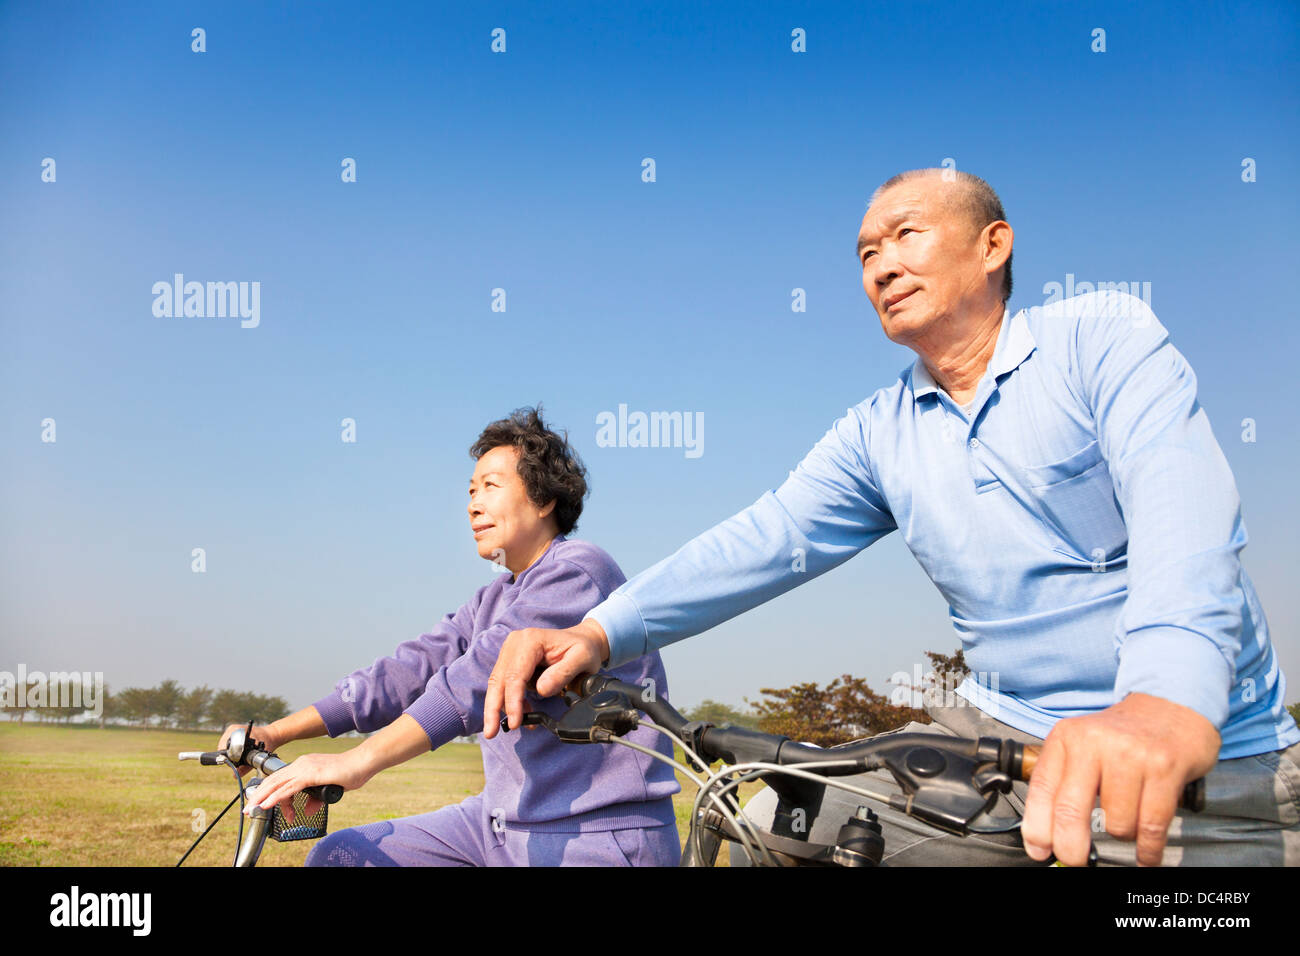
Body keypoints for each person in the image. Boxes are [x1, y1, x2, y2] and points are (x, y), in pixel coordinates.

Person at [484, 169, 1300, 867]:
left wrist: (1162, 701)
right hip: (999, 741)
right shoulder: (880, 429)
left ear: (993, 245)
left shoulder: (1104, 340)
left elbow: (1185, 513)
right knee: (780, 824)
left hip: (1211, 755)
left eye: (904, 235)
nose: (880, 265)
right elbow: (771, 537)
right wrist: (597, 632)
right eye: (866, 255)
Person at [219, 407, 681, 866]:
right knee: (342, 857)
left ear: (544, 501)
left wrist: (356, 761)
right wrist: (276, 733)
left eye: (491, 487)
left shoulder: (579, 570)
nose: (472, 503)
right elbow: (410, 671)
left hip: (596, 833)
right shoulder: (493, 598)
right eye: (471, 490)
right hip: (498, 825)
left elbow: (473, 681)